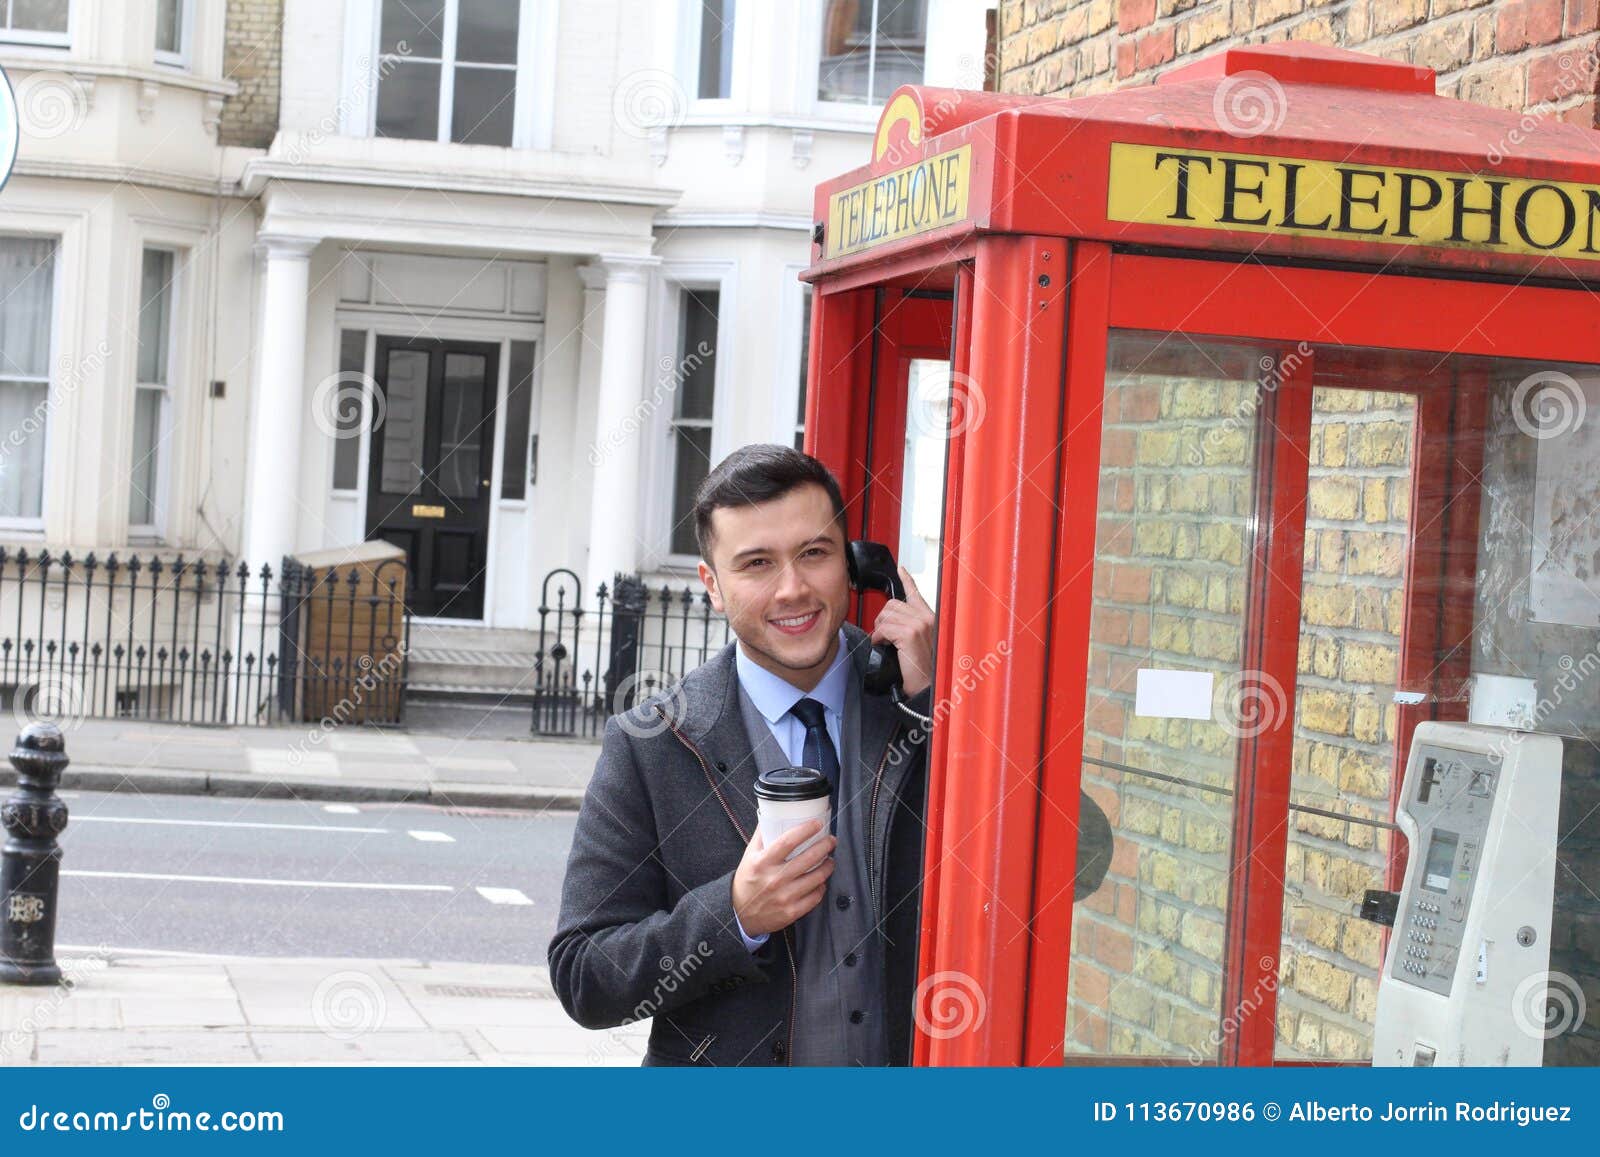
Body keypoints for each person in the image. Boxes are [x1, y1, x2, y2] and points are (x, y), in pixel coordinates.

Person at [548, 443, 937, 1066]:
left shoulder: (923, 700)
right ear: (713, 587)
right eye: (757, 563)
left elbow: (1069, 859)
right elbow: (585, 977)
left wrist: (936, 705)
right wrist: (734, 914)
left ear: (857, 566)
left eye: (814, 553)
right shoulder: (650, 744)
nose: (793, 589)